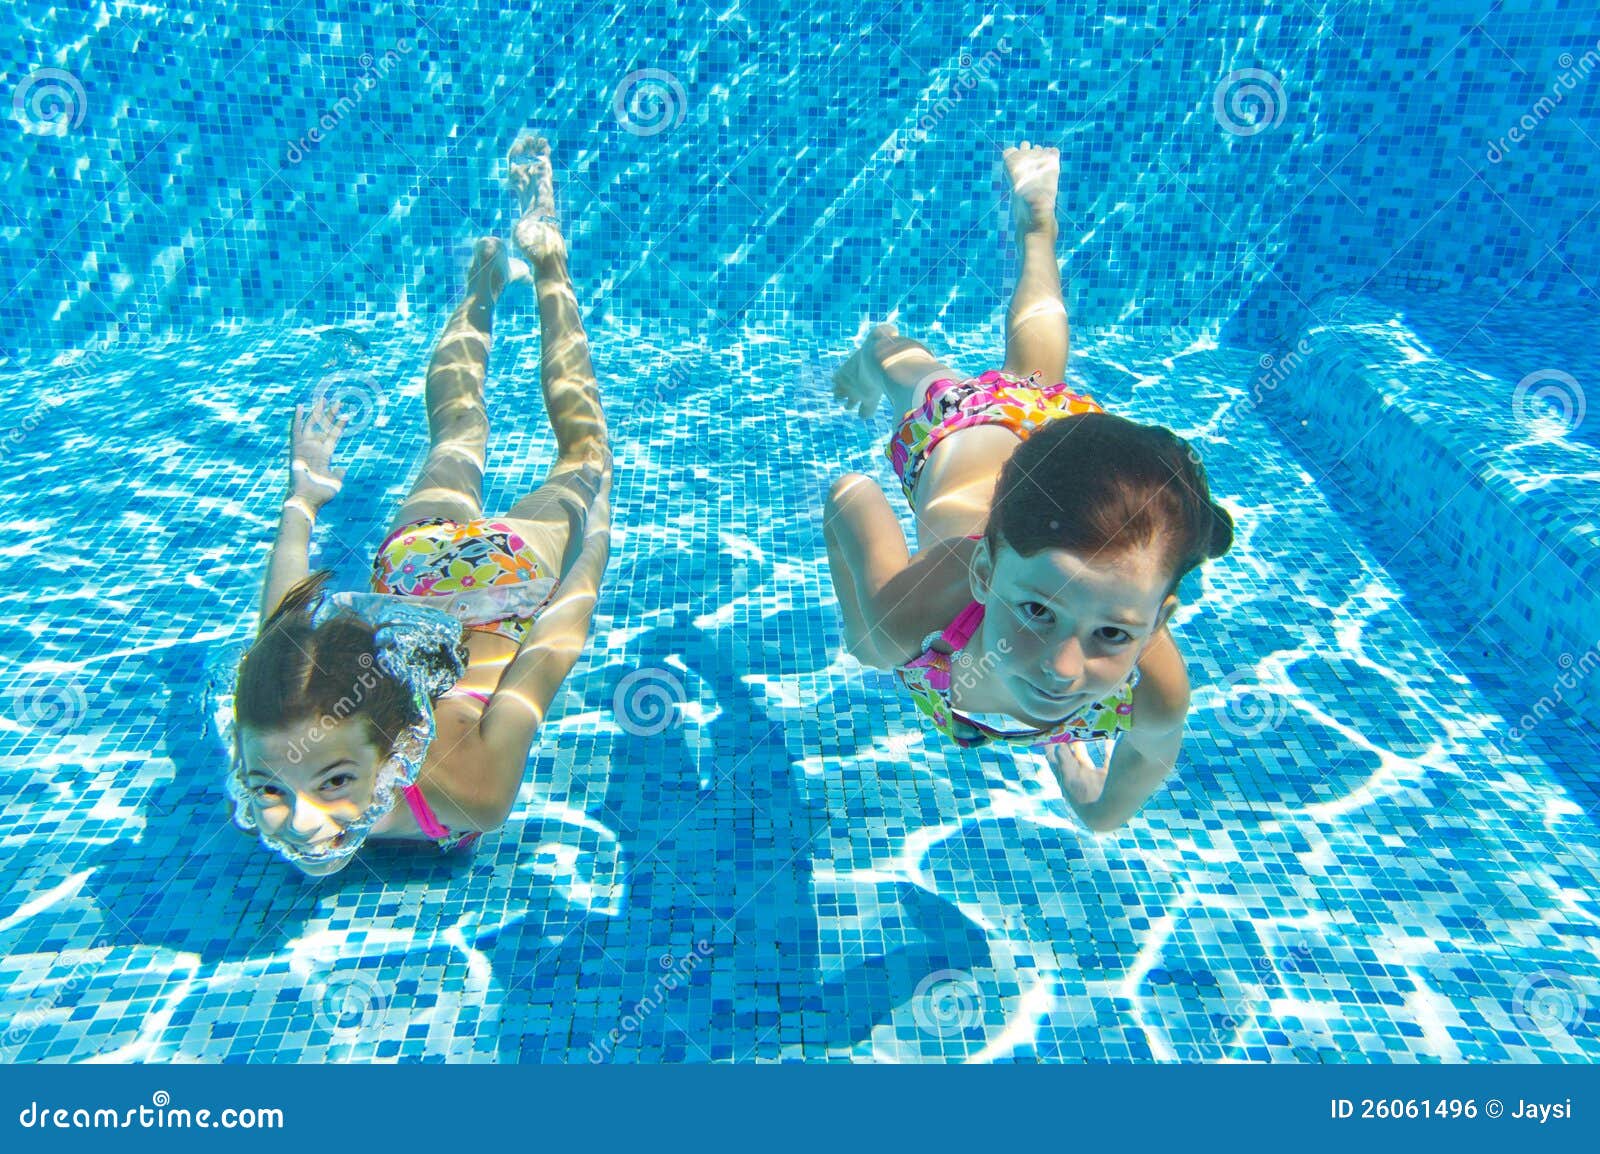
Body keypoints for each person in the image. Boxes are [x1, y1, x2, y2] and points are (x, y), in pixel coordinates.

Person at [228, 134, 612, 876]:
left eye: (336, 781)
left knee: (576, 456)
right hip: (414, 571)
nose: (301, 824)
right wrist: (301, 503)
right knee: (473, 433)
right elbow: (279, 629)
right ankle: (495, 278)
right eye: (267, 788)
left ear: (398, 744)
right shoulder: (268, 729)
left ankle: (535, 265)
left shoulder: (471, 790)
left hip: (507, 580)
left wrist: (594, 533)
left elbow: (550, 644)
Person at [825, 141, 1234, 833]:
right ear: (983, 571)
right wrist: (858, 620)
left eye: (1111, 632)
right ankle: (876, 346)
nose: (1062, 669)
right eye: (1038, 612)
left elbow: (1139, 774)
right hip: (963, 434)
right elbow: (850, 494)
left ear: (1159, 621)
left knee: (1039, 364)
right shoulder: (902, 626)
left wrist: (1096, 812)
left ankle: (1037, 226)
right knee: (912, 370)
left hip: (1086, 467)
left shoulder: (1157, 691)